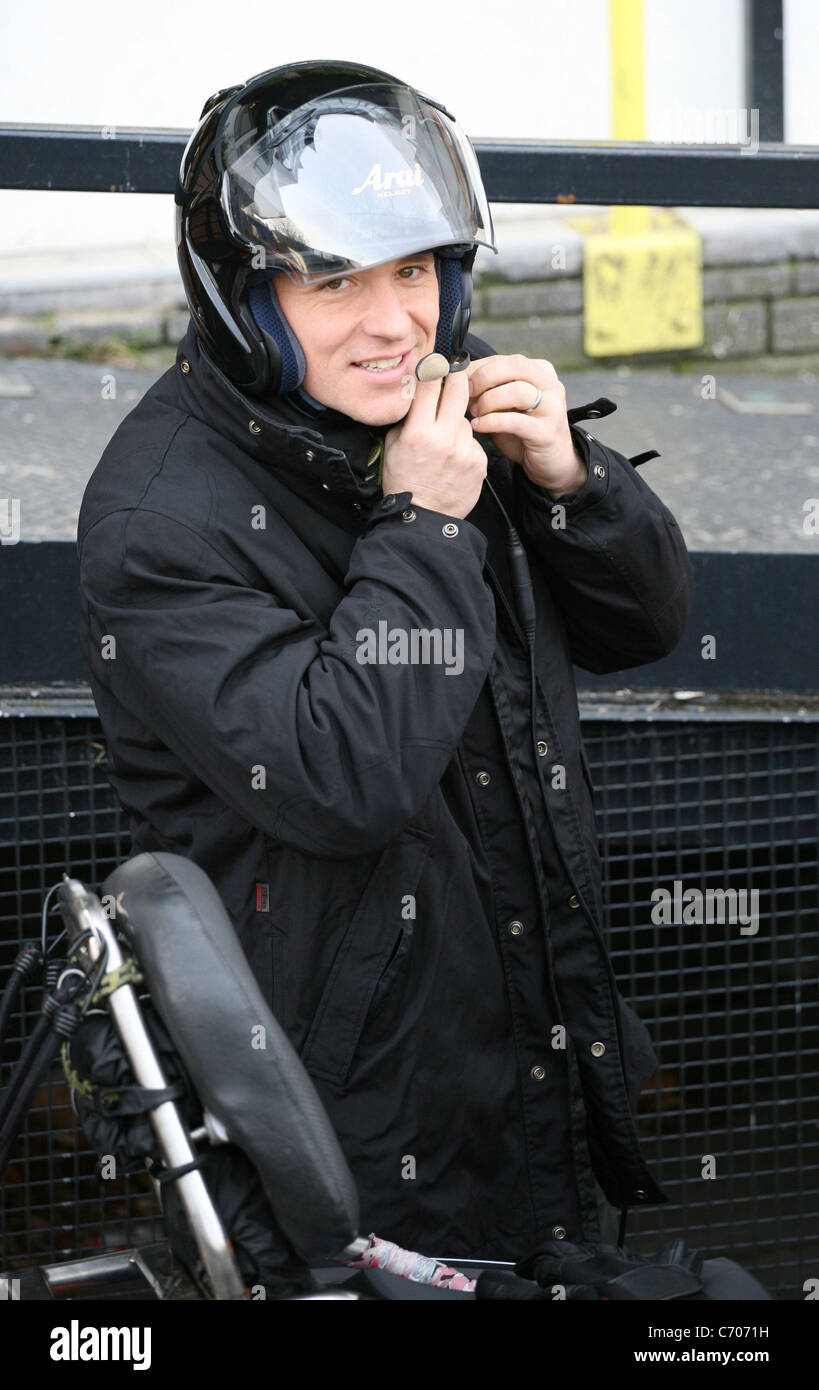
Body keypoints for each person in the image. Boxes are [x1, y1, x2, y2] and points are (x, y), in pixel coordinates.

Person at [76, 59, 695, 1262]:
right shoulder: (159, 520)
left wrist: (575, 484)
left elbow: (648, 626)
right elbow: (339, 778)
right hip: (345, 1110)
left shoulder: (427, 411)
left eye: (416, 271)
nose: (395, 322)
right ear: (247, 299)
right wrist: (421, 528)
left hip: (532, 1034)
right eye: (335, 282)